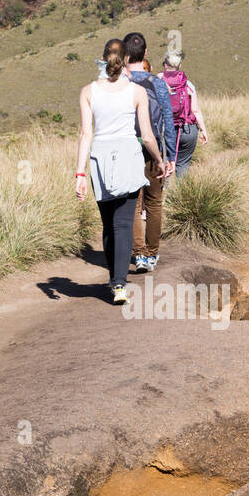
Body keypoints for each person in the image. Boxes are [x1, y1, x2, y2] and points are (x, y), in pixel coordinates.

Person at [76, 39, 165, 304]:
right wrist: (159, 160)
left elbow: (85, 133)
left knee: (108, 224)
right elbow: (147, 136)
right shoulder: (137, 92)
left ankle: (114, 278)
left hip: (100, 159)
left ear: (103, 59)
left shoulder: (88, 92)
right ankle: (119, 284)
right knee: (124, 223)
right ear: (125, 60)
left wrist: (79, 174)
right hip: (129, 156)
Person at [122, 32, 176, 272]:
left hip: (127, 149)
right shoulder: (157, 83)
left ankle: (140, 254)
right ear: (144, 54)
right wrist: (170, 157)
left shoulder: (119, 84)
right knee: (155, 203)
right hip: (153, 148)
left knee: (133, 203)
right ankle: (152, 254)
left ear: (124, 55)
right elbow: (168, 121)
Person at [160, 51, 208, 176]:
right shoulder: (187, 84)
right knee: (183, 165)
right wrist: (203, 130)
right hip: (187, 129)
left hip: (164, 130)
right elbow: (196, 110)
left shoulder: (157, 81)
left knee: (164, 164)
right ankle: (182, 194)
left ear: (165, 65)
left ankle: (163, 194)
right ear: (180, 66)